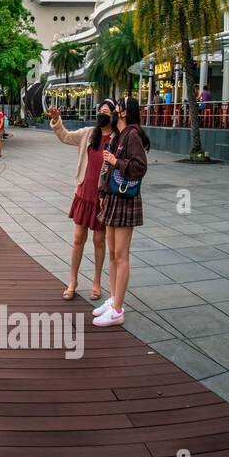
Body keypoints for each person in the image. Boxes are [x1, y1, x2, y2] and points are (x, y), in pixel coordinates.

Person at [93, 96, 150, 328]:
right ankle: (114, 299)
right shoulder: (119, 135)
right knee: (113, 252)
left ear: (125, 113)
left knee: (121, 254)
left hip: (126, 198)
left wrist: (117, 162)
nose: (114, 111)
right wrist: (103, 193)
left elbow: (140, 167)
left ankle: (117, 309)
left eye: (117, 108)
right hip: (114, 197)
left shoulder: (132, 134)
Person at [48, 101, 114, 301]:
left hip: (102, 197)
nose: (101, 114)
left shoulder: (117, 138)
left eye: (106, 112)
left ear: (113, 115)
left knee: (99, 241)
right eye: (99, 111)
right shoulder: (88, 133)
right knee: (78, 238)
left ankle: (96, 281)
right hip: (83, 193)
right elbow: (65, 136)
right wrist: (56, 120)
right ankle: (73, 281)